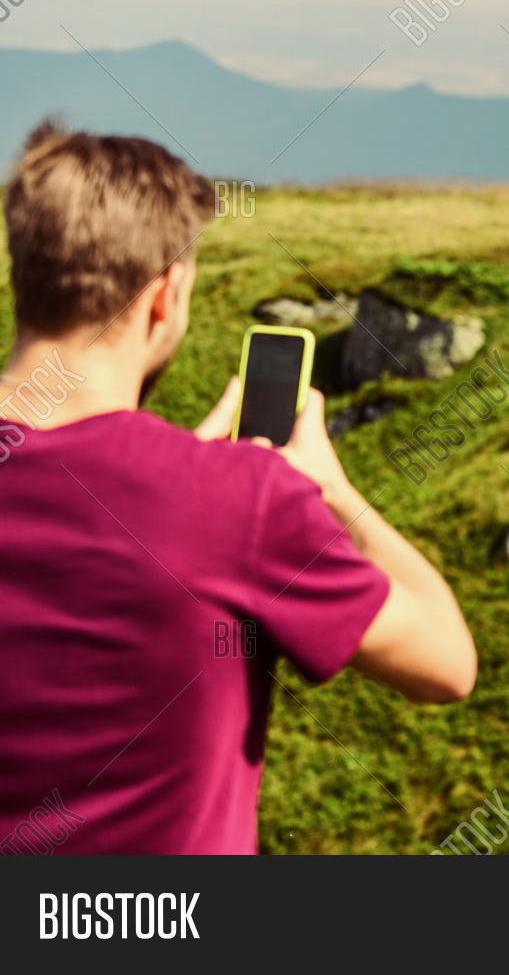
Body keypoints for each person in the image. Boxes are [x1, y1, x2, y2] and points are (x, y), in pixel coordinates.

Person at [0, 120, 476, 855]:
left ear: (22, 268)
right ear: (167, 295)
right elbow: (446, 662)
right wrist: (329, 492)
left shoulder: (214, 501)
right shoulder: (235, 503)